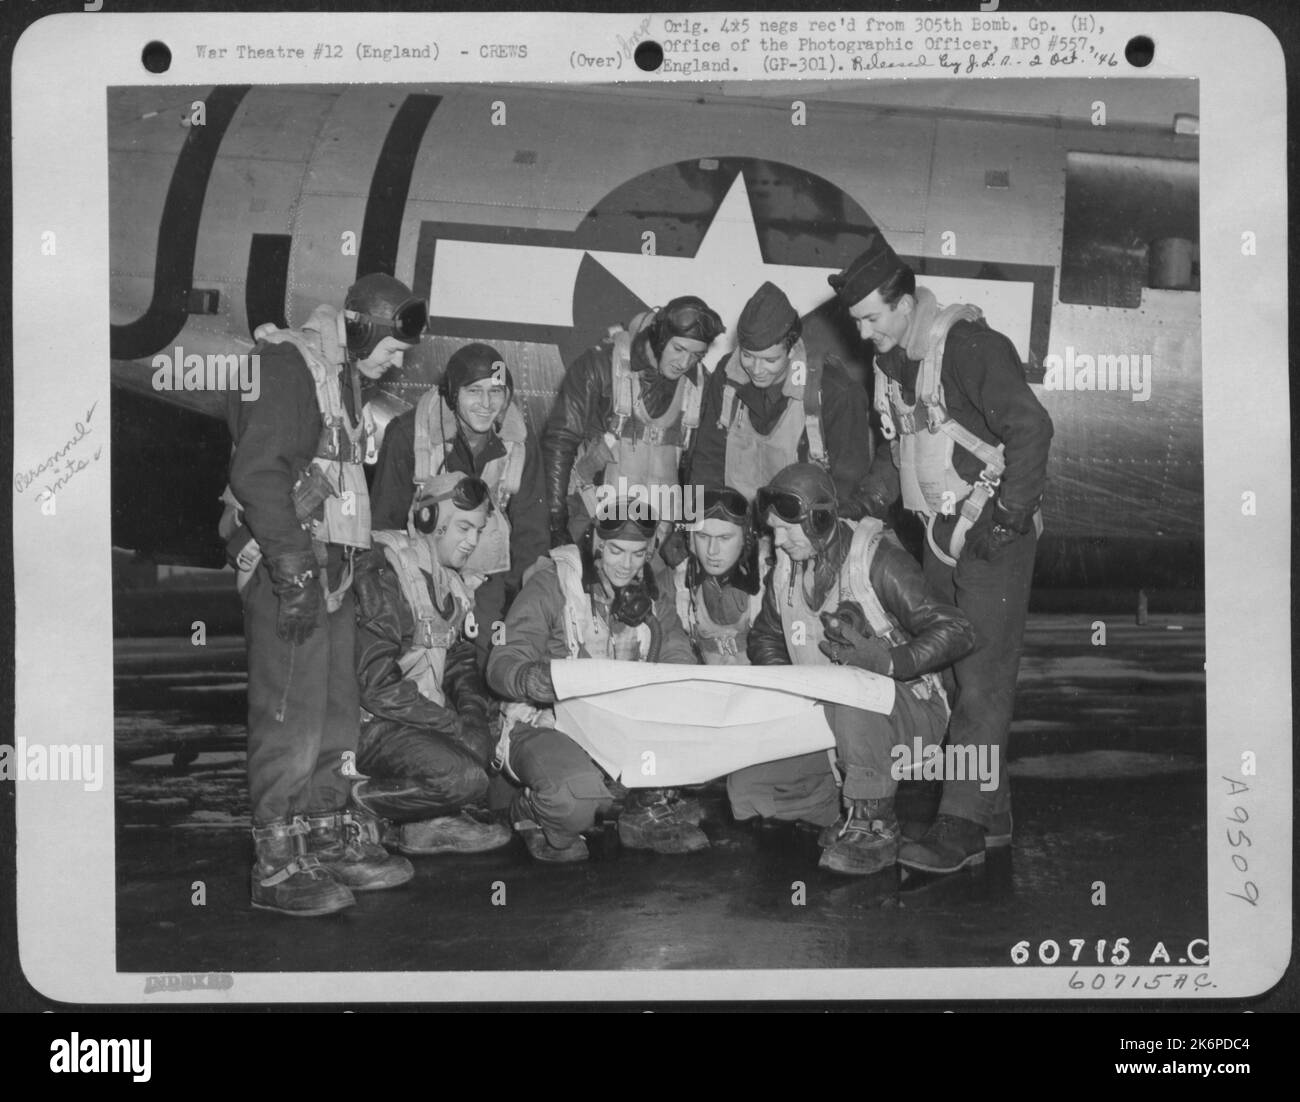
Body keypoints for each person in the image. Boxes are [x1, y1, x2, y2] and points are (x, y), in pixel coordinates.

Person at [829, 231, 1054, 873]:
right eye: (857, 321)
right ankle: (994, 815)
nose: (865, 332)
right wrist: (860, 507)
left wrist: (1007, 519)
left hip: (990, 542)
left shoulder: (971, 347)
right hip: (938, 539)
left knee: (981, 684)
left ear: (903, 302)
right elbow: (894, 452)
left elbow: (1032, 427)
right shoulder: (894, 362)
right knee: (957, 682)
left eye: (872, 317)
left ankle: (961, 827)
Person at [221, 272, 422, 916]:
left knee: (337, 709)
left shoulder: (342, 379)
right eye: (392, 348)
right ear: (361, 328)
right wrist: (290, 565)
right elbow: (257, 470)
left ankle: (327, 833)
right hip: (294, 570)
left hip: (335, 568)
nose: (398, 362)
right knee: (290, 714)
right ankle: (277, 862)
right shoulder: (288, 365)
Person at [747, 463, 975, 876]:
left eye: (786, 530)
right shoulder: (785, 566)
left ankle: (876, 821)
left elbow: (957, 630)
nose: (777, 541)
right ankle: (835, 805)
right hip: (835, 712)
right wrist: (791, 693)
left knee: (850, 684)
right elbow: (764, 639)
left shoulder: (877, 560)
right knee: (750, 787)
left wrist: (888, 661)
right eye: (773, 529)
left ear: (819, 521)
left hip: (909, 716)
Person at [486, 503, 708, 862]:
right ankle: (532, 812)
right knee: (574, 801)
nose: (626, 564)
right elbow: (501, 662)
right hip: (544, 723)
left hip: (615, 726)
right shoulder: (552, 583)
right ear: (596, 544)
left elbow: (679, 655)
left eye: (639, 554)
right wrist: (532, 677)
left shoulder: (649, 596)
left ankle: (641, 811)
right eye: (616, 551)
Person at [350, 472, 514, 856]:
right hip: (368, 725)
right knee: (464, 778)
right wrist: (451, 725)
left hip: (410, 719)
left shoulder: (447, 584)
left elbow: (457, 660)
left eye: (478, 529)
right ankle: (353, 803)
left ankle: (423, 824)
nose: (472, 541)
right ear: (428, 520)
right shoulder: (385, 574)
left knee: (483, 747)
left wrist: (472, 718)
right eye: (463, 528)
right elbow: (376, 685)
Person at [370, 343, 548, 667]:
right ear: (453, 393)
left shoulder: (519, 447)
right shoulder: (408, 436)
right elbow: (384, 526)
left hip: (487, 575)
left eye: (496, 392)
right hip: (418, 573)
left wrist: (514, 607)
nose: (486, 404)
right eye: (474, 391)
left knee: (486, 670)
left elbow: (531, 536)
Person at [674, 486, 839, 832]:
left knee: (743, 794)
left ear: (747, 538)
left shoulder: (776, 576)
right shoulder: (681, 580)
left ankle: (822, 793)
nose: (713, 550)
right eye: (703, 536)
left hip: (772, 712)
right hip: (716, 713)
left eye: (725, 537)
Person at [542, 297, 724, 547]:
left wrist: (683, 531)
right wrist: (556, 520)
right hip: (595, 524)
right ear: (660, 336)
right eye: (679, 349)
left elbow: (700, 466)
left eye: (696, 355)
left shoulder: (699, 386)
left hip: (659, 536)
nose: (684, 364)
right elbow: (560, 441)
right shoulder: (601, 366)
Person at [686, 281, 874, 513]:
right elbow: (707, 460)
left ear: (793, 349)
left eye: (770, 360)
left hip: (800, 532)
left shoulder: (835, 393)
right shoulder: (727, 376)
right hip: (735, 527)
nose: (756, 369)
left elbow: (848, 487)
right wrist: (696, 519)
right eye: (747, 355)